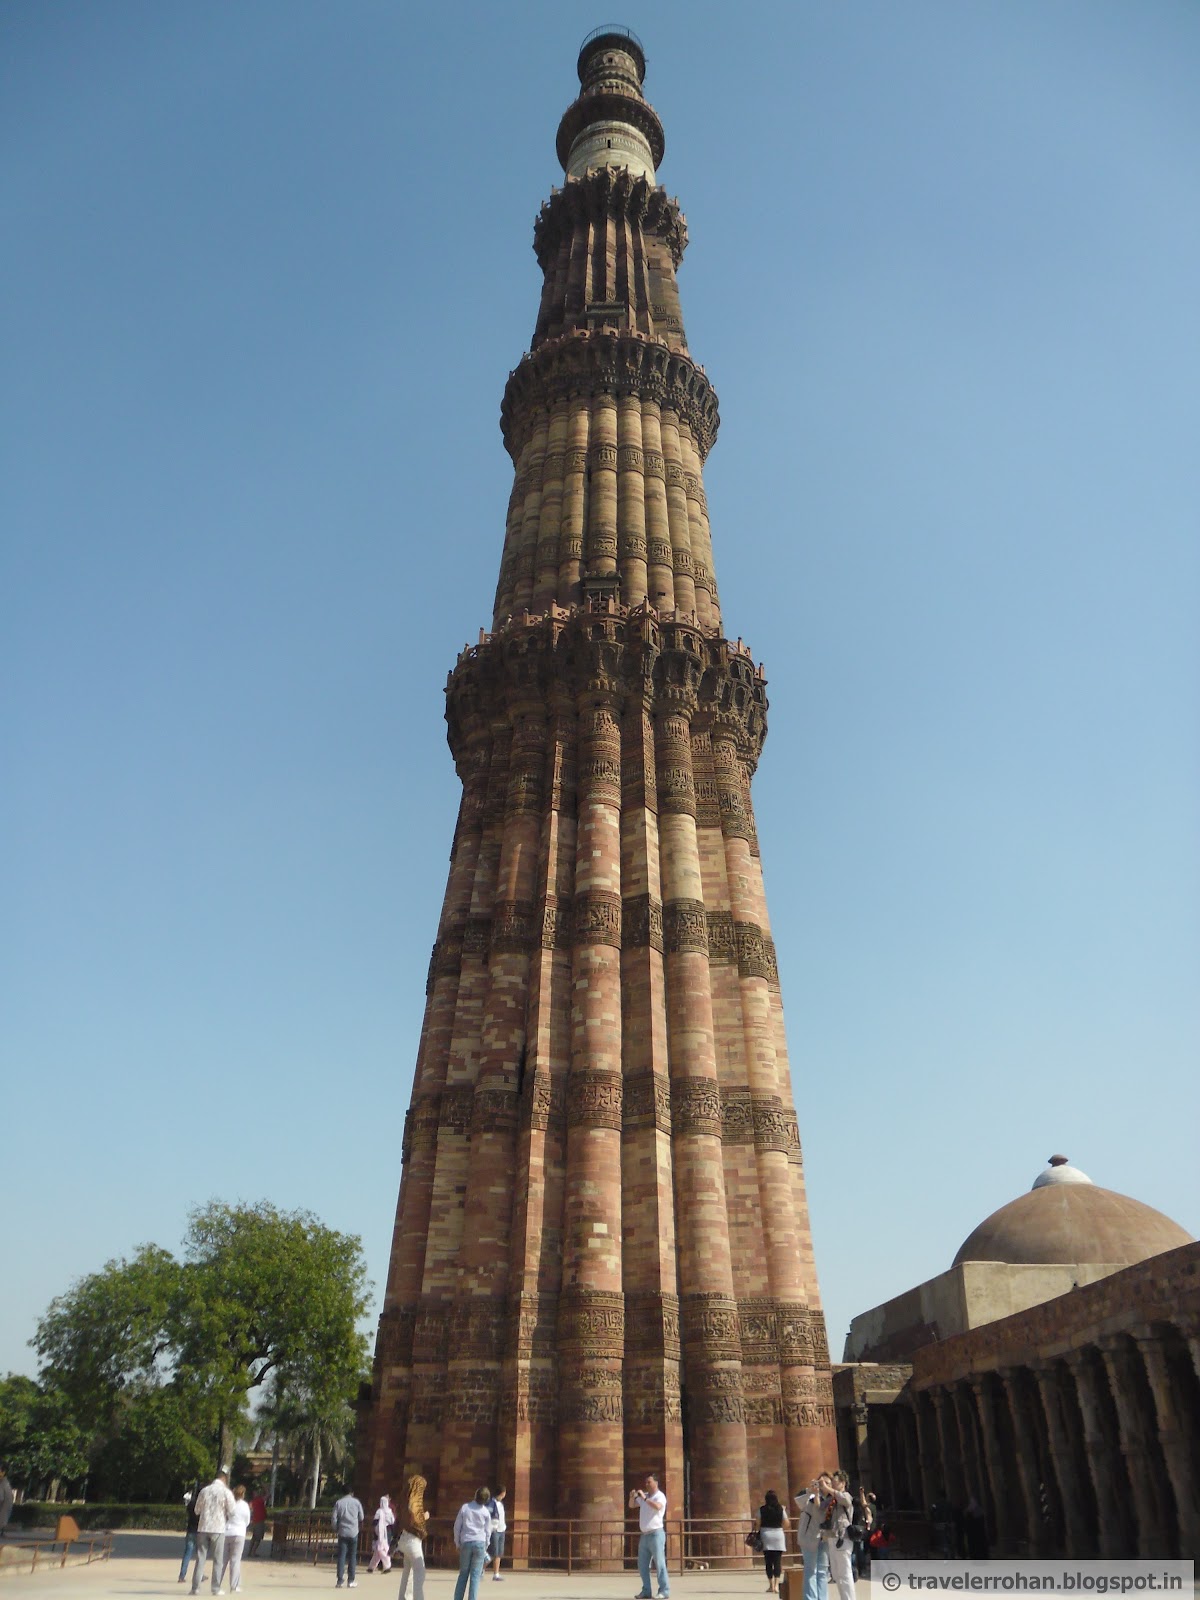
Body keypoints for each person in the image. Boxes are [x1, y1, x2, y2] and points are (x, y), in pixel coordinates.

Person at [191, 1469, 236, 1596]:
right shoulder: (226, 1492)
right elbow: (232, 1511)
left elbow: (197, 1510)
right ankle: (215, 1588)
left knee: (201, 1557)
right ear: (224, 1479)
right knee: (218, 1560)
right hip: (218, 1528)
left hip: (203, 1527)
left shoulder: (204, 1491)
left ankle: (195, 1588)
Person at [629, 1474, 669, 1600]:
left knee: (659, 1563)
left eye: (649, 1482)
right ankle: (646, 1590)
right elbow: (632, 1505)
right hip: (645, 1535)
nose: (646, 1484)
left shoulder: (660, 1496)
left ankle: (664, 1591)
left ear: (656, 1483)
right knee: (642, 1565)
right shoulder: (644, 1496)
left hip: (656, 1534)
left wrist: (645, 1499)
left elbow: (658, 1507)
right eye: (646, 1482)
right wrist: (632, 1497)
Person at [452, 1488, 493, 1600]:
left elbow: (457, 1527)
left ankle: (458, 1598)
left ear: (476, 1495)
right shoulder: (485, 1512)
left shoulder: (465, 1508)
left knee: (463, 1574)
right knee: (475, 1575)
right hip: (480, 1542)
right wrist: (486, 1545)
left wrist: (457, 1542)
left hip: (466, 1541)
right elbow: (488, 1531)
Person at [794, 1476, 831, 1600]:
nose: (824, 1485)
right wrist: (810, 1491)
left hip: (824, 1538)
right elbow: (798, 1501)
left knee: (823, 1571)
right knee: (811, 1570)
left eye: (828, 1483)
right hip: (809, 1537)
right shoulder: (810, 1497)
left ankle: (823, 1597)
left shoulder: (832, 1500)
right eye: (822, 1483)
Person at [822, 1472, 855, 1600]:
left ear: (843, 1483)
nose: (833, 1485)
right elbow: (820, 1507)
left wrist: (828, 1488)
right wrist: (816, 1493)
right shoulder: (832, 1500)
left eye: (835, 1482)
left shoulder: (846, 1496)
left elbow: (844, 1500)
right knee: (836, 1573)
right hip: (832, 1537)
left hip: (843, 1537)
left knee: (845, 1572)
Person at [396, 1474, 429, 1600]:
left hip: (404, 1537)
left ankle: (403, 1597)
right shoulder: (414, 1502)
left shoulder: (403, 1500)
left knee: (408, 1572)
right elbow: (415, 1518)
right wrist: (424, 1517)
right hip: (412, 1539)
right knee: (420, 1573)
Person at [217, 1485, 251, 1595]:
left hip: (227, 1531)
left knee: (223, 1560)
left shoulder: (229, 1503)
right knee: (235, 1560)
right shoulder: (244, 1505)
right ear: (243, 1494)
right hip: (239, 1532)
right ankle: (234, 1586)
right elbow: (247, 1520)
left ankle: (217, 1584)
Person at [755, 1488, 789, 1594]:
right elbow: (787, 1523)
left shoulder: (761, 1509)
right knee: (777, 1561)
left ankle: (771, 1585)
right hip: (778, 1534)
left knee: (768, 1562)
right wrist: (780, 1527)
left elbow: (757, 1523)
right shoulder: (781, 1509)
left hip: (766, 1534)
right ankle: (777, 1585)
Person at [332, 1486, 365, 1589]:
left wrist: (335, 1528)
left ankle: (340, 1580)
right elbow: (361, 1517)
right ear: (352, 1493)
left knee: (341, 1556)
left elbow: (334, 1518)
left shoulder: (338, 1503)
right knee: (352, 1556)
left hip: (342, 1531)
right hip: (353, 1531)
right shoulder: (357, 1502)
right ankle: (351, 1580)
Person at [179, 1478, 204, 1583]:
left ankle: (182, 1575)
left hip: (190, 1529)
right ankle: (199, 1575)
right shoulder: (203, 1504)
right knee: (201, 1554)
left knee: (187, 1553)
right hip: (200, 1531)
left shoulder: (191, 1503)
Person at [367, 1494, 395, 1573]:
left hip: (380, 1532)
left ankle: (387, 1566)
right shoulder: (389, 1511)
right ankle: (371, 1567)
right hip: (387, 1532)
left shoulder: (379, 1511)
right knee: (379, 1549)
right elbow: (392, 1522)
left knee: (381, 1549)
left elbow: (375, 1522)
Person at [488, 1486, 507, 1580]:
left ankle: (496, 1573)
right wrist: (492, 1528)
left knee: (499, 1553)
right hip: (494, 1530)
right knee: (492, 1553)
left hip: (501, 1529)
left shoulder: (500, 1504)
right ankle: (479, 1570)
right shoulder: (491, 1503)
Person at [246, 1489, 267, 1558]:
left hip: (254, 1520)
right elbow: (267, 1496)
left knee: (254, 1537)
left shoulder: (253, 1501)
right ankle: (253, 1552)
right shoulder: (259, 1500)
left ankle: (250, 1552)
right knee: (258, 1538)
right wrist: (266, 1489)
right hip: (259, 1521)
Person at [0, 1466, 13, 1538]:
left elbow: (1, 1498)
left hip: (3, 1507)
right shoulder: (6, 1483)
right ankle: (2, 1532)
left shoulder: (2, 1483)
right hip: (6, 1508)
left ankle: (1, 1532)